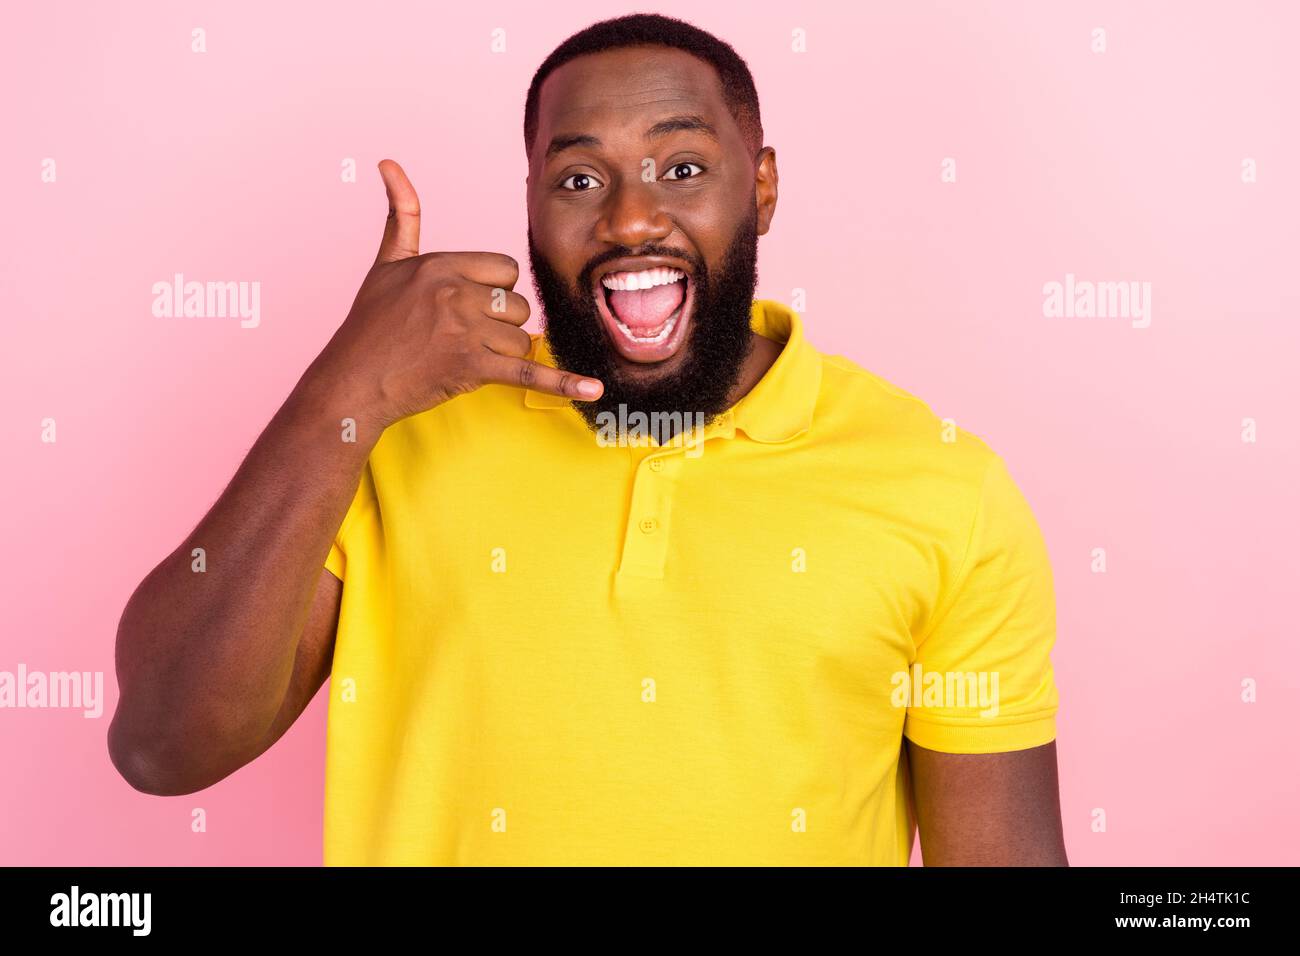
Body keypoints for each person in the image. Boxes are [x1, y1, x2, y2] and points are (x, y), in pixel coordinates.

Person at [109, 13, 1067, 866]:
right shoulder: (393, 432)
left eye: (682, 168)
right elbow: (162, 745)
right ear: (531, 207)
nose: (631, 217)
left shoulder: (942, 487)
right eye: (578, 178)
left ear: (762, 188)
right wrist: (343, 391)